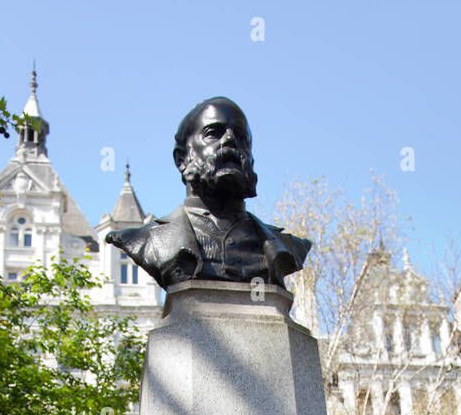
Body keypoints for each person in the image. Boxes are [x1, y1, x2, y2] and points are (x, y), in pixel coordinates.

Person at [107, 96, 311, 288]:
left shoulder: (285, 248)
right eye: (213, 133)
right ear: (181, 158)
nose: (230, 141)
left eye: (240, 137)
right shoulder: (148, 241)